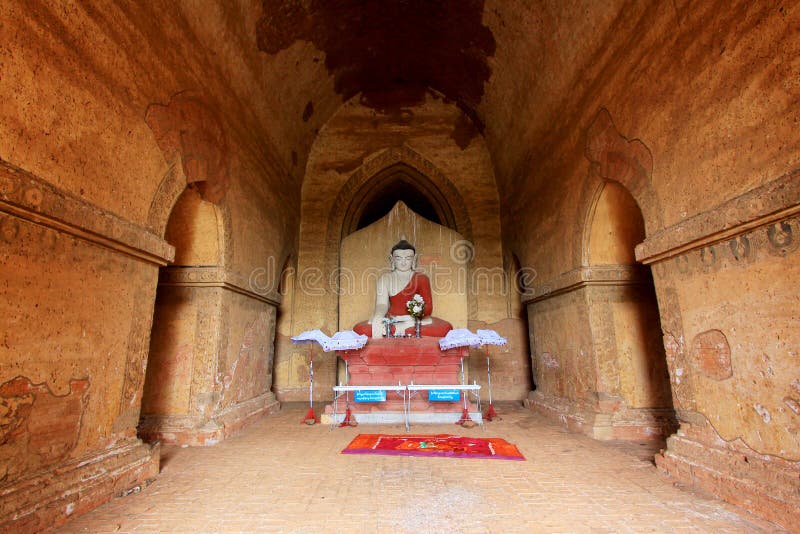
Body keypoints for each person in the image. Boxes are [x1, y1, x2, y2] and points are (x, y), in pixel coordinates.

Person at [353, 240, 453, 338]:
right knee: (361, 329)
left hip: (415, 321)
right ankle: (398, 330)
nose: (403, 262)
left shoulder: (421, 278)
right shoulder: (385, 278)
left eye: (408, 258)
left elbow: (428, 307)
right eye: (399, 258)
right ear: (392, 259)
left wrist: (413, 316)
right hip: (393, 320)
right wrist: (378, 317)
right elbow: (381, 304)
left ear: (414, 259)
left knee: (445, 328)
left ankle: (401, 329)